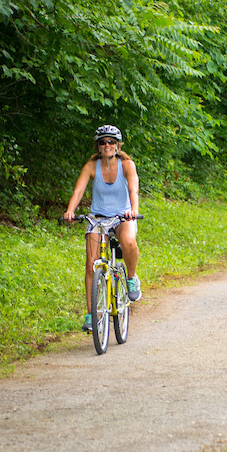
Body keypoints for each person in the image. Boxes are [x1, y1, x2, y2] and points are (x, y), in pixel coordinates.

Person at [64, 124, 142, 332]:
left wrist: (133, 210)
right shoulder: (91, 166)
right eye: (103, 142)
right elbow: (78, 191)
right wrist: (71, 210)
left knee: (128, 242)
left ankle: (132, 278)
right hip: (97, 218)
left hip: (122, 216)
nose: (107, 145)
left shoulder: (127, 165)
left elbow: (133, 190)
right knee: (91, 265)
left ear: (117, 145)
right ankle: (91, 314)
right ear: (98, 146)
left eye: (111, 142)